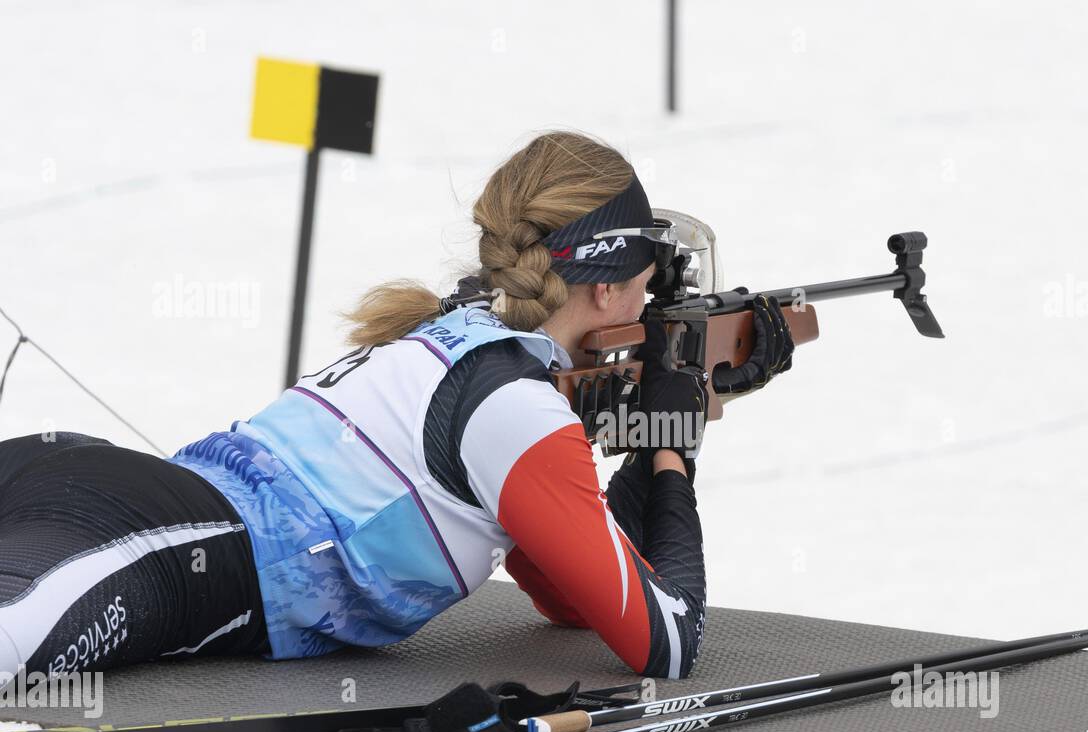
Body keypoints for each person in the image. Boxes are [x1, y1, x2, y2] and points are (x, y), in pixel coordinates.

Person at [0, 131, 793, 682]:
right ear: (607, 286)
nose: (653, 294)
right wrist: (672, 445)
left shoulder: (459, 339)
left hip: (105, 492)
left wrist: (653, 428)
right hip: (166, 540)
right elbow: (668, 637)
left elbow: (572, 591)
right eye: (650, 276)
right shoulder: (517, 410)